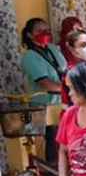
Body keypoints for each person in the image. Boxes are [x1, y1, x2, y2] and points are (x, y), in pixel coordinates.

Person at [19, 17, 67, 164]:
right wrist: (66, 88)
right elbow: (43, 82)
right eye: (39, 31)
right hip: (44, 103)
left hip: (62, 100)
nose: (44, 33)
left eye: (46, 30)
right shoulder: (29, 56)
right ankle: (54, 170)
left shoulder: (52, 48)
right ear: (29, 35)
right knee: (53, 138)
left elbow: (64, 69)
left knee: (66, 136)